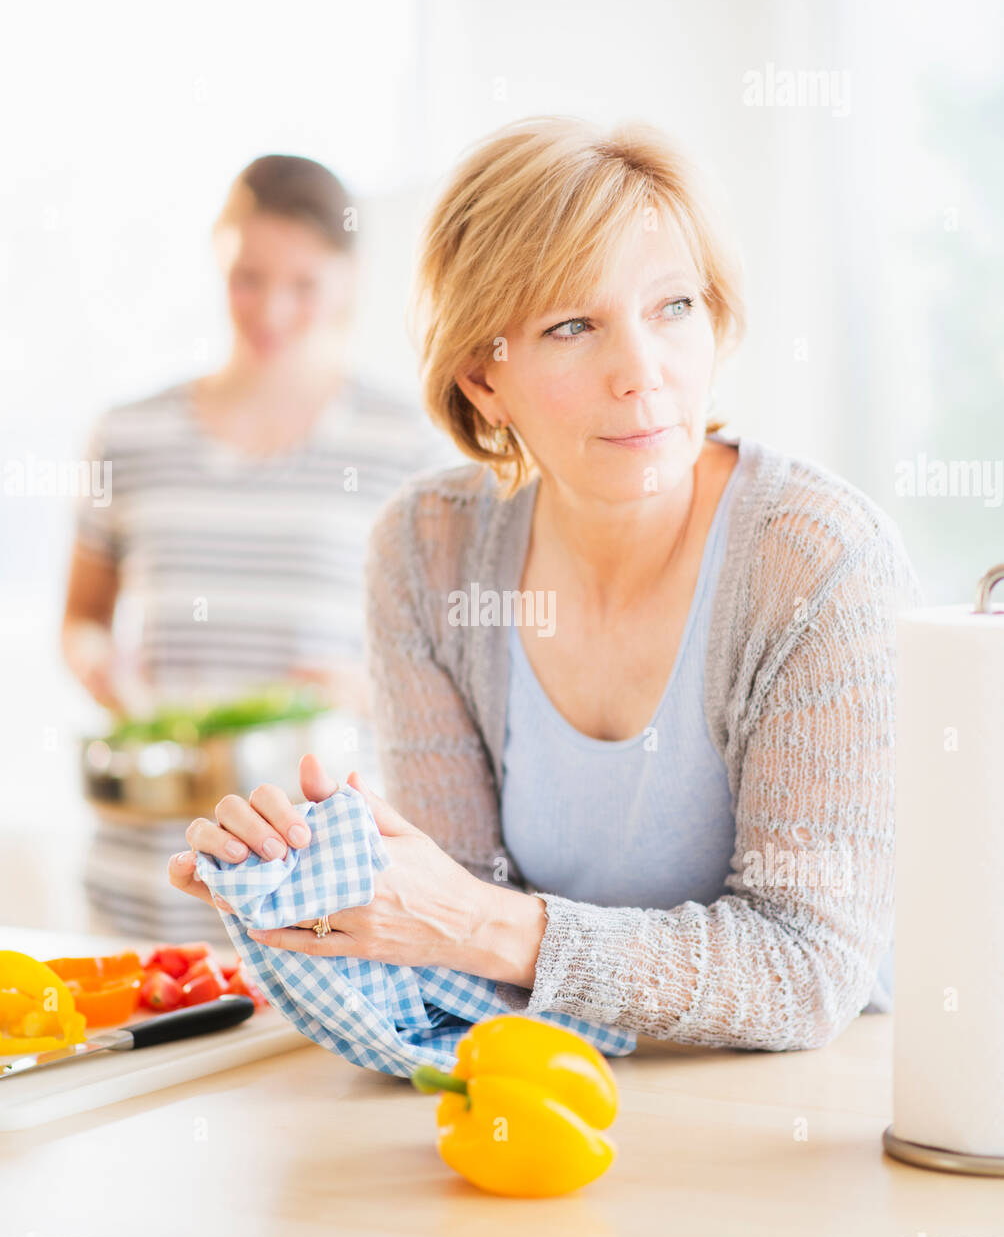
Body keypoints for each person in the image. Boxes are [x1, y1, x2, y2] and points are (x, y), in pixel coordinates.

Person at [170, 117, 925, 1051]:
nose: (643, 374)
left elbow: (801, 972)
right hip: (558, 1085)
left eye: (674, 307)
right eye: (574, 325)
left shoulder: (818, 560)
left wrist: (483, 924)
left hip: (809, 1112)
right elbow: (449, 928)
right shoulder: (426, 550)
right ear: (485, 378)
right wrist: (307, 882)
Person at [63, 154, 458, 945]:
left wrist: (367, 688)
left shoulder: (404, 444)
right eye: (248, 277)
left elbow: (458, 668)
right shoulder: (129, 435)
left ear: (349, 280)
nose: (272, 309)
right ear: (219, 263)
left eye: (304, 284)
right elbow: (82, 621)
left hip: (314, 878)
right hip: (147, 867)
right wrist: (104, 666)